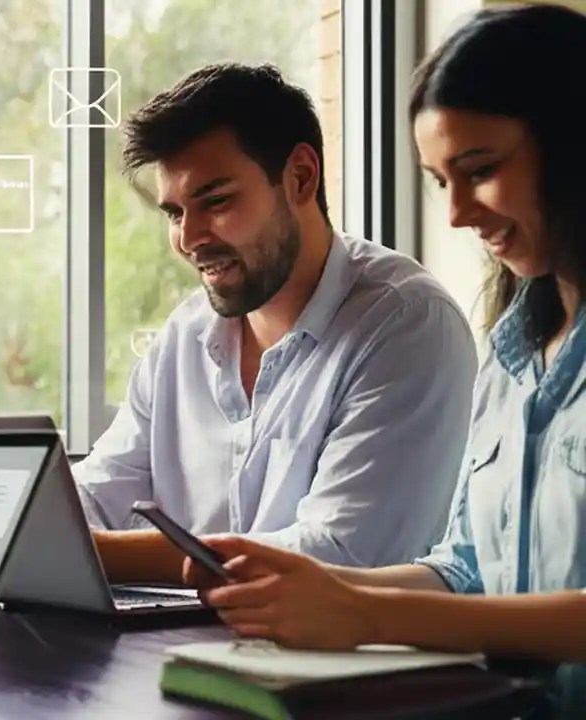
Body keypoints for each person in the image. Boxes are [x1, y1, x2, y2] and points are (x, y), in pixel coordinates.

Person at [191, 5, 586, 716]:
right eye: (440, 182)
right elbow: (467, 570)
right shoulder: (509, 355)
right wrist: (308, 585)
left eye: (481, 170)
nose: (458, 213)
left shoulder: (410, 321)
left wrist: (370, 617)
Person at [75, 62, 478, 583]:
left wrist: (93, 556)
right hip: (187, 649)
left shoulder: (406, 325)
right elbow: (97, 495)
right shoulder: (185, 335)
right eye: (174, 213)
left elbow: (340, 555)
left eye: (216, 202)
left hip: (345, 662)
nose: (189, 238)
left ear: (301, 178)